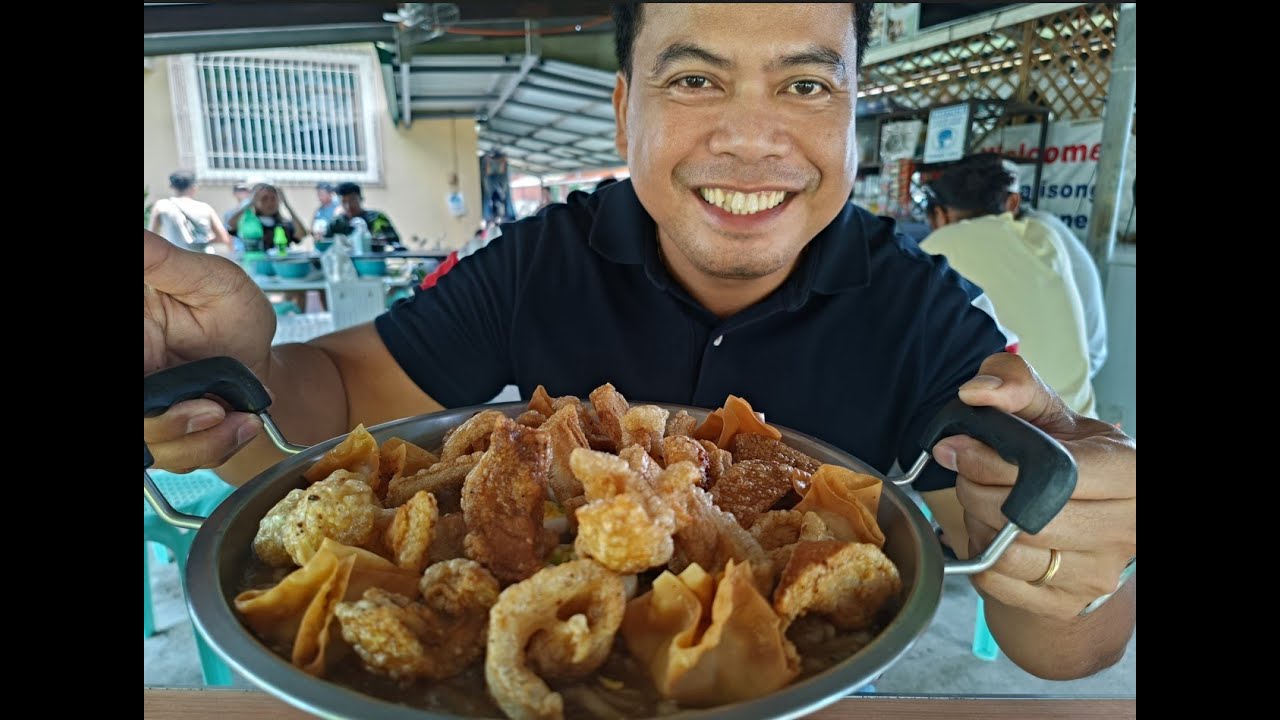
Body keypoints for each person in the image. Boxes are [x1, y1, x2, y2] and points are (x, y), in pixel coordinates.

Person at [144, 3, 1134, 681]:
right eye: (696, 78)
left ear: (851, 115)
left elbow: (1069, 653)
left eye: (804, 86)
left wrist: (1078, 543)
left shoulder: (923, 309)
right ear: (625, 109)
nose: (752, 139)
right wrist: (240, 376)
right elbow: (334, 402)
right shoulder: (538, 260)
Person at [921, 154, 1097, 417]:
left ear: (939, 214)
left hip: (1014, 430)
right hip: (1081, 419)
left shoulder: (937, 249)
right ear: (1010, 203)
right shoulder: (1045, 236)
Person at [149, 170, 232, 253]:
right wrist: (205, 240)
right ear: (194, 187)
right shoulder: (205, 208)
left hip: (176, 257)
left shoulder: (162, 206)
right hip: (203, 257)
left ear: (172, 187)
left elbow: (151, 237)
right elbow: (223, 237)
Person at [225, 182, 309, 251]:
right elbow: (231, 225)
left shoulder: (283, 224)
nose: (269, 203)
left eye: (273, 198)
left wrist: (287, 205)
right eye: (264, 199)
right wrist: (250, 203)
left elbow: (301, 235)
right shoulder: (249, 224)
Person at [328, 181, 402, 251]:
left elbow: (394, 241)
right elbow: (326, 244)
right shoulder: (336, 223)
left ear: (361, 199)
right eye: (344, 202)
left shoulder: (377, 218)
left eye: (352, 200)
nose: (348, 206)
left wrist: (380, 240)